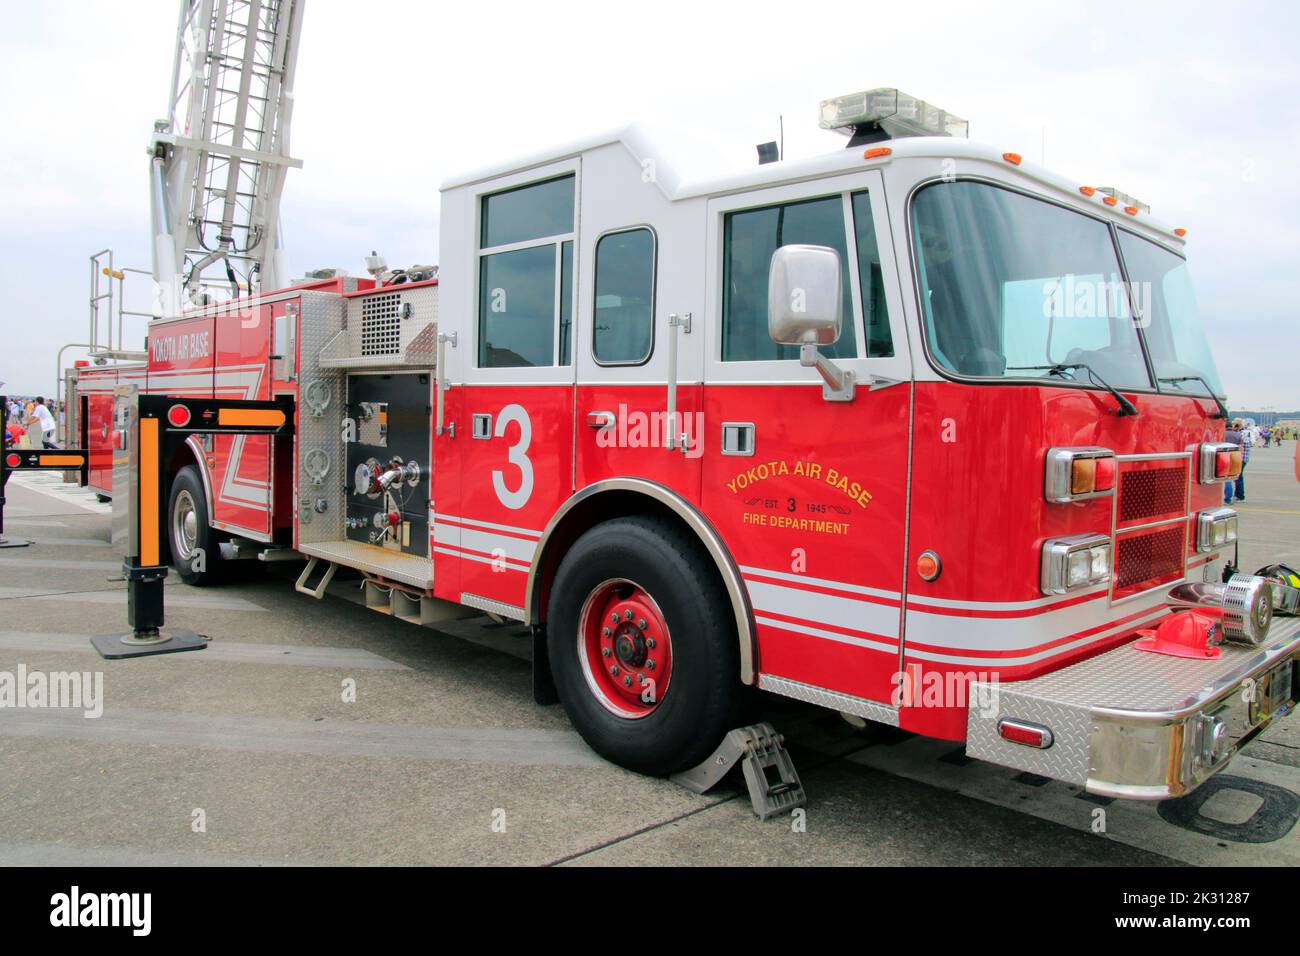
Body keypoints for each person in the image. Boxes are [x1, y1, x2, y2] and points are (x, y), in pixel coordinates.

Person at [1224, 418, 1249, 504]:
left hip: (1228, 458)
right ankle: (1237, 496)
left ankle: (1235, 496)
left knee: (1230, 478)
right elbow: (1242, 448)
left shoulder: (1241, 433)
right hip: (1239, 457)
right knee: (1236, 477)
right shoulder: (1239, 434)